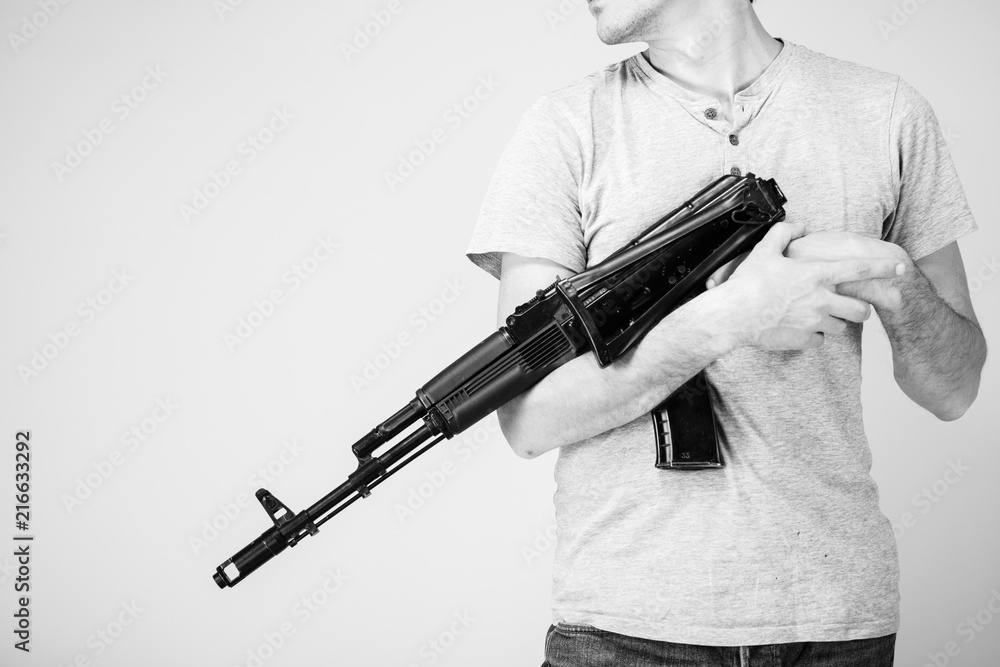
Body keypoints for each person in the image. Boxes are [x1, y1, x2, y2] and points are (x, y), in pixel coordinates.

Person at [464, 0, 987, 665]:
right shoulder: (564, 129)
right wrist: (729, 316)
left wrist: (900, 282)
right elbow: (527, 419)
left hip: (835, 624)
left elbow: (955, 389)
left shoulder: (884, 112)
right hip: (628, 628)